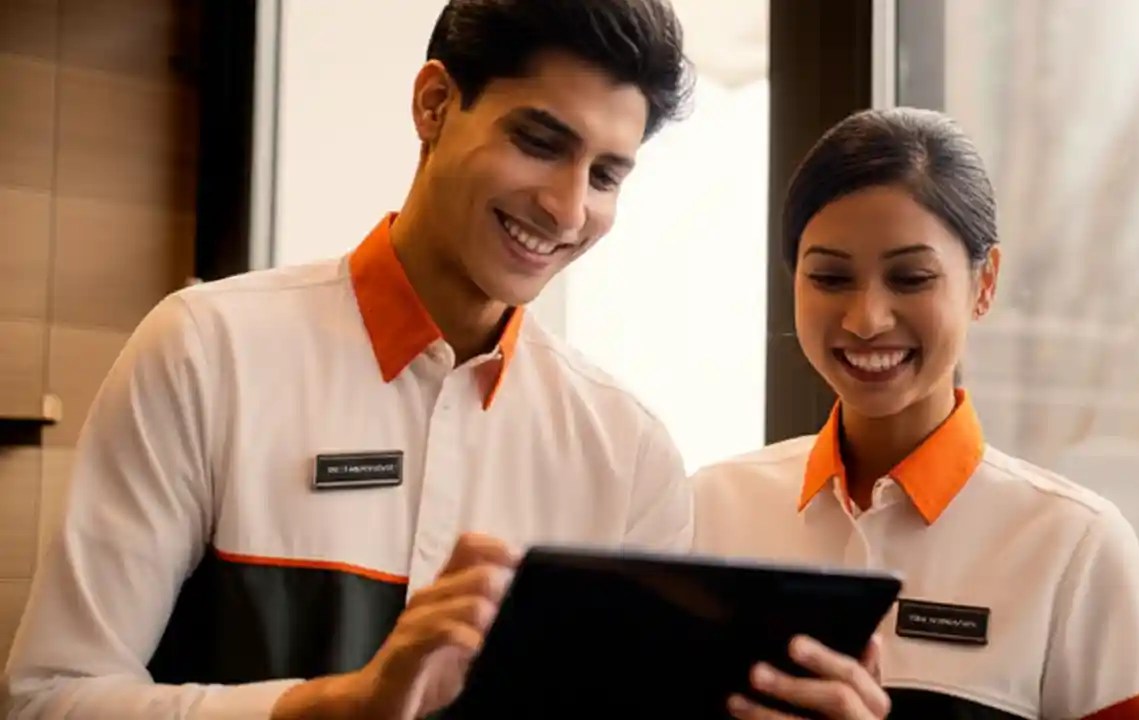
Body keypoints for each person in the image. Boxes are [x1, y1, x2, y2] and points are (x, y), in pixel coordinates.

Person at [6, 2, 707, 718]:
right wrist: (335, 708)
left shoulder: (630, 454)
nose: (566, 210)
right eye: (538, 141)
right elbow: (49, 699)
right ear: (434, 104)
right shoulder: (207, 349)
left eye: (605, 177)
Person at [693, 107, 1139, 719]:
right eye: (829, 277)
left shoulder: (1073, 546)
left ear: (985, 284)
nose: (866, 318)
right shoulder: (707, 512)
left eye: (911, 278)